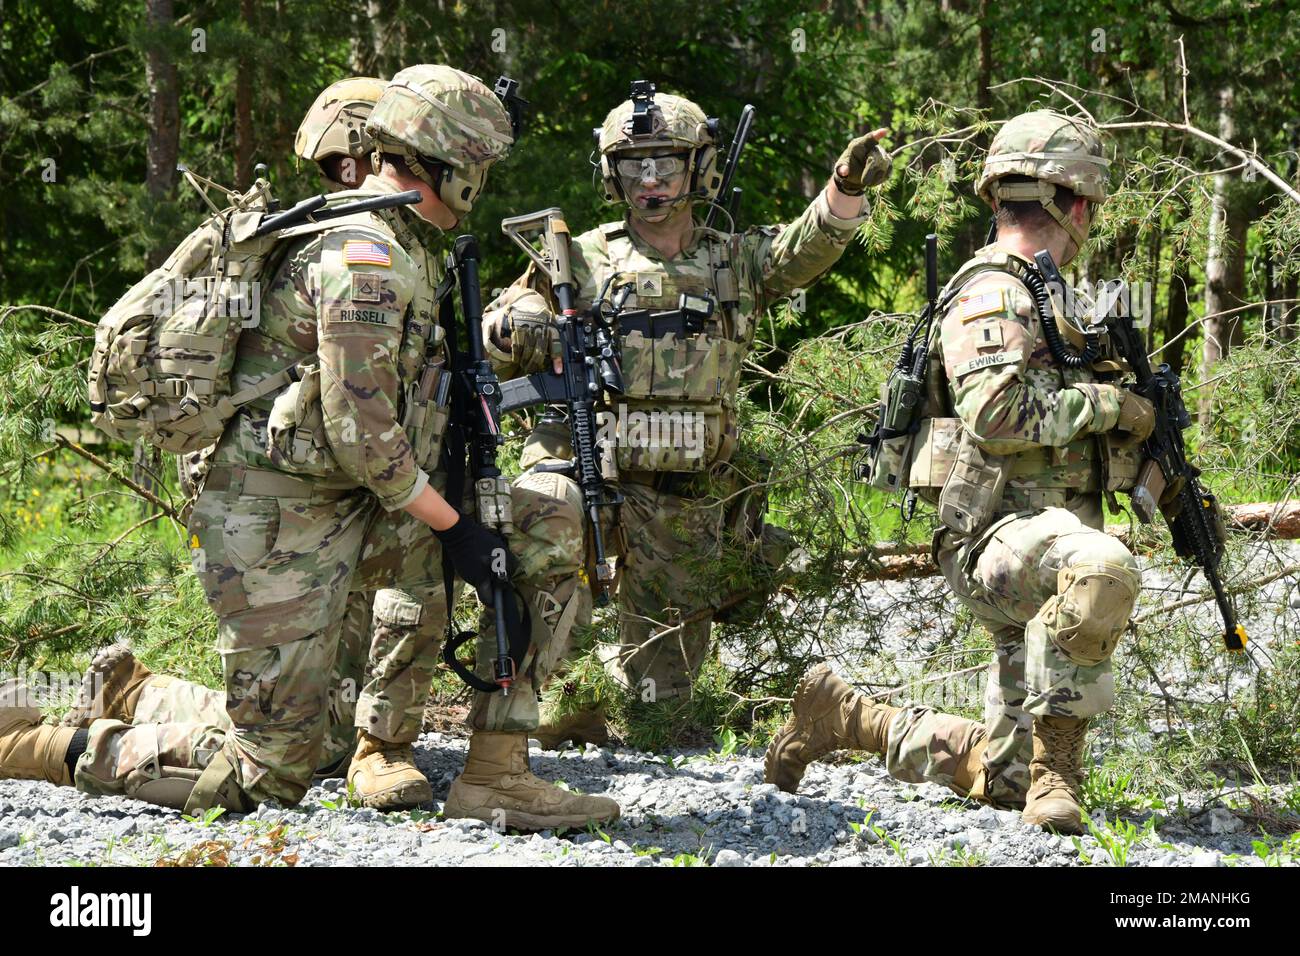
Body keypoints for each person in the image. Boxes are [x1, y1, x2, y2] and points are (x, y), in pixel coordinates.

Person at [0, 65, 518, 816]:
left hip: (332, 505)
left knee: (327, 735)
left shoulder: (401, 242)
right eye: (480, 164)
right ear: (448, 165)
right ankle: (46, 745)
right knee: (264, 776)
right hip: (272, 523)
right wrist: (456, 527)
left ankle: (142, 693)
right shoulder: (366, 259)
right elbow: (362, 432)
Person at [764, 110, 1157, 834]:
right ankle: (1057, 776)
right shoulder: (995, 291)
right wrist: (1112, 406)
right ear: (1074, 204)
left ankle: (843, 716)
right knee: (1104, 565)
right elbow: (996, 414)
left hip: (1046, 550)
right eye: (1091, 205)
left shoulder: (1056, 296)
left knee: (1001, 780)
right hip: (995, 538)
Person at [475, 82, 890, 749]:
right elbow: (503, 324)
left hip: (685, 497)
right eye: (632, 166)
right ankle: (515, 720)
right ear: (611, 175)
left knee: (662, 717)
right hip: (587, 471)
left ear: (698, 167)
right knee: (542, 521)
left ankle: (602, 701)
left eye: (665, 163)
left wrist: (843, 187)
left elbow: (805, 249)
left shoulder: (734, 259)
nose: (650, 180)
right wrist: (523, 325)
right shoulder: (579, 257)